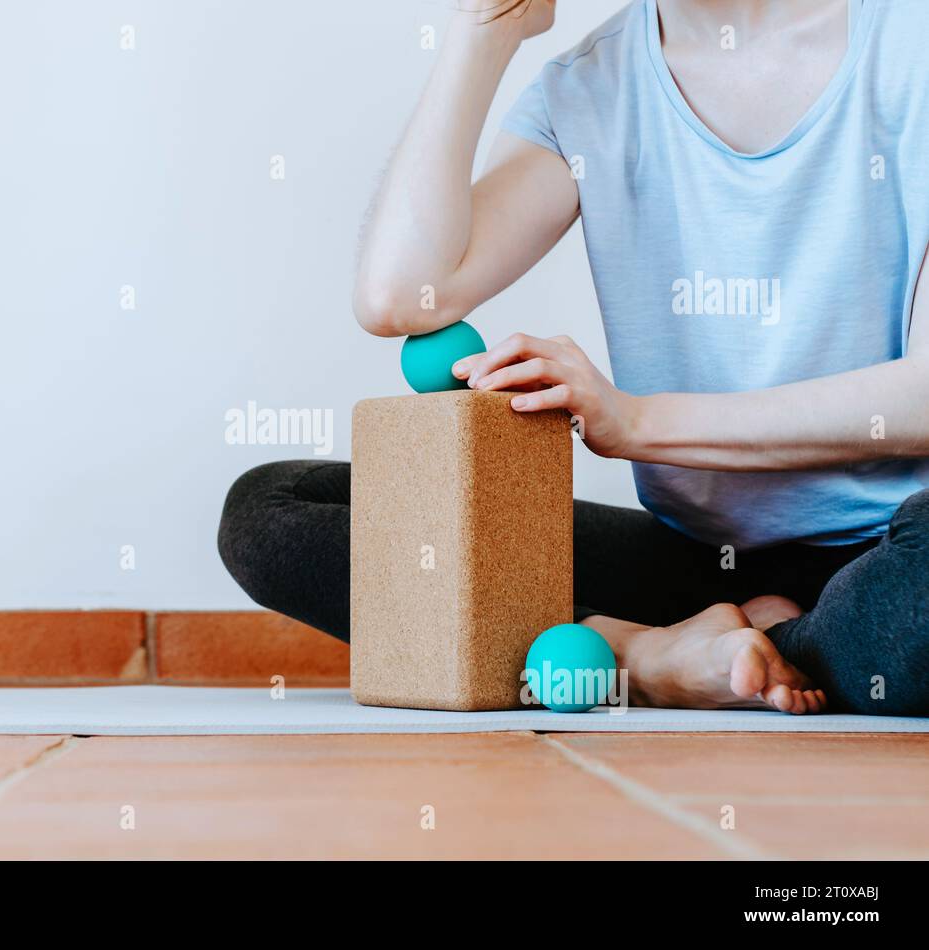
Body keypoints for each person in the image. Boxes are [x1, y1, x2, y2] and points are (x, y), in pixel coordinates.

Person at [218, 0, 929, 716]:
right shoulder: (587, 88)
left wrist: (637, 421)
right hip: (691, 560)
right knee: (273, 512)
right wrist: (485, 32)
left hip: (893, 545)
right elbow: (401, 295)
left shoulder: (909, 46)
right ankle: (660, 652)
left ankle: (713, 649)